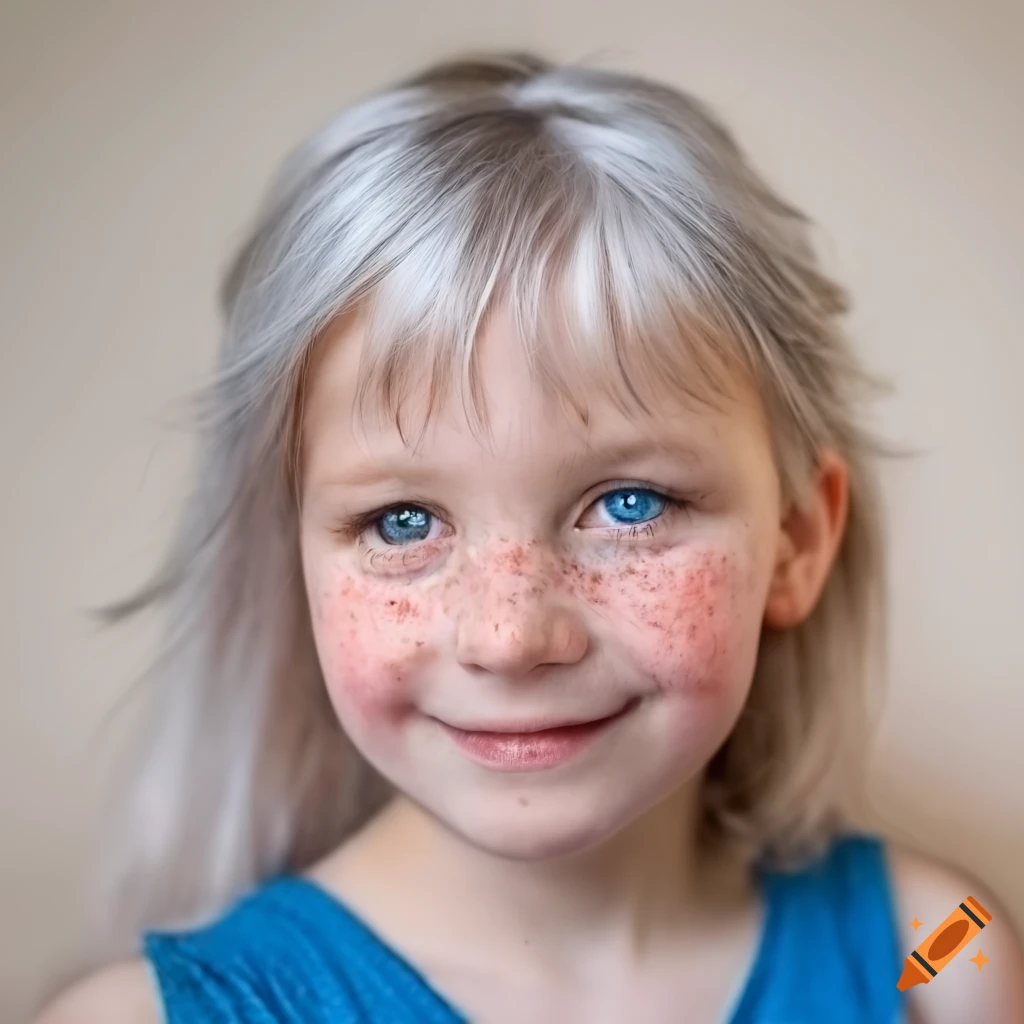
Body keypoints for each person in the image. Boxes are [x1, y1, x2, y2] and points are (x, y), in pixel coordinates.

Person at [35, 51, 1024, 1024]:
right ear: (295, 560)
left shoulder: (939, 949)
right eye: (402, 521)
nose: (508, 636)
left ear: (798, 541)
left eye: (629, 504)